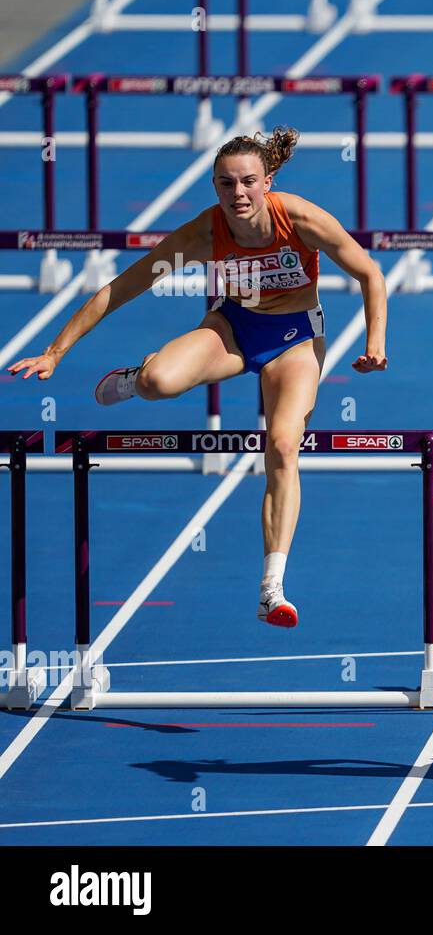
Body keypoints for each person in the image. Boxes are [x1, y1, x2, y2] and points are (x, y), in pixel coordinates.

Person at [8, 127, 389, 629]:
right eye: (227, 185)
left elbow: (370, 273)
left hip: (295, 339)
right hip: (233, 327)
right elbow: (122, 287)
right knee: (159, 383)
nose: (239, 194)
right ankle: (138, 376)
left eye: (248, 182)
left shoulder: (299, 218)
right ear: (215, 187)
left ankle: (271, 587)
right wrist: (55, 352)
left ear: (267, 182)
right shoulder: (204, 234)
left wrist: (375, 343)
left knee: (281, 445)